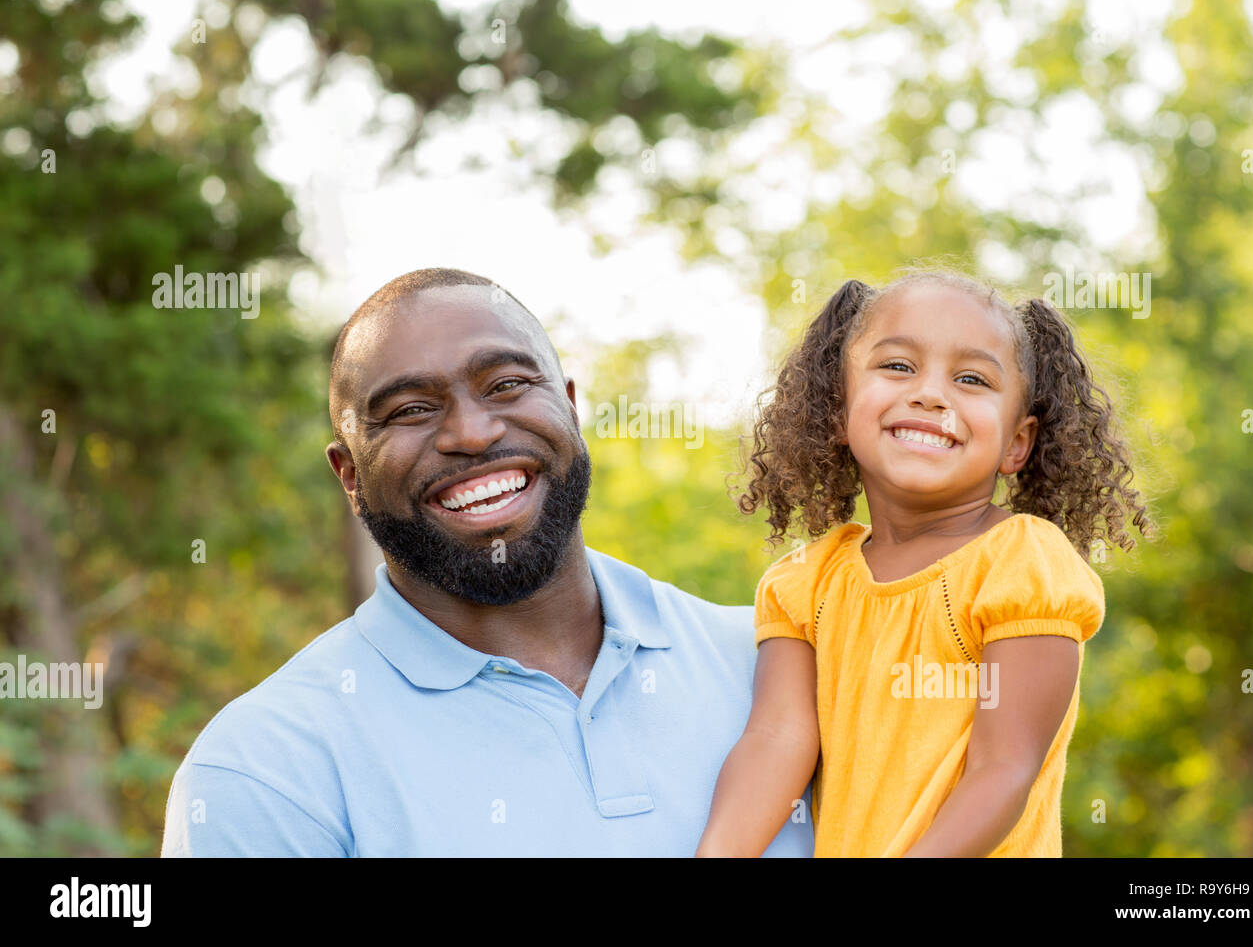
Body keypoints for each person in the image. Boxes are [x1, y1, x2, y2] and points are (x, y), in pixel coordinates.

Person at [161, 268, 812, 856]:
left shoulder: (781, 663)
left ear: (571, 407)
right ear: (349, 475)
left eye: (505, 384)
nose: (472, 434)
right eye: (410, 410)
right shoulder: (263, 768)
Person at [695, 270, 1154, 857]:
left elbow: (1003, 769)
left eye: (971, 378)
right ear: (838, 410)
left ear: (1017, 442)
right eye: (898, 367)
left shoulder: (1022, 563)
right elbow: (776, 739)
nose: (930, 394)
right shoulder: (803, 582)